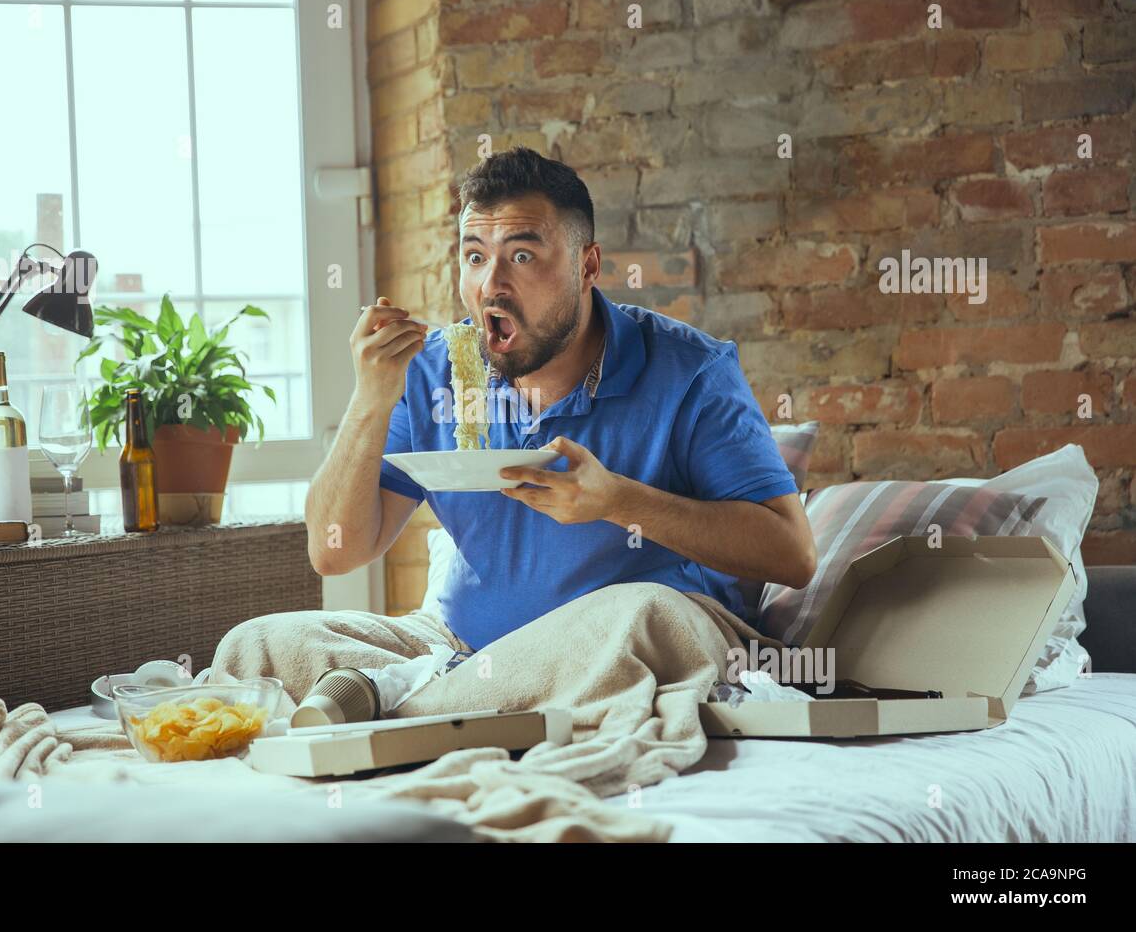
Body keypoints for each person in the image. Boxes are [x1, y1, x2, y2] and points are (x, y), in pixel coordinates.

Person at [213, 147, 816, 702]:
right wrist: (370, 399)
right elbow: (335, 551)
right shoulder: (433, 374)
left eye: (521, 256)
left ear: (587, 265)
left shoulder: (690, 370)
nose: (491, 285)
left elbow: (791, 555)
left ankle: (398, 702)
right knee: (256, 646)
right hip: (462, 648)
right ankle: (443, 698)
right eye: (475, 257)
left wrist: (618, 501)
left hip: (632, 641)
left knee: (639, 621)